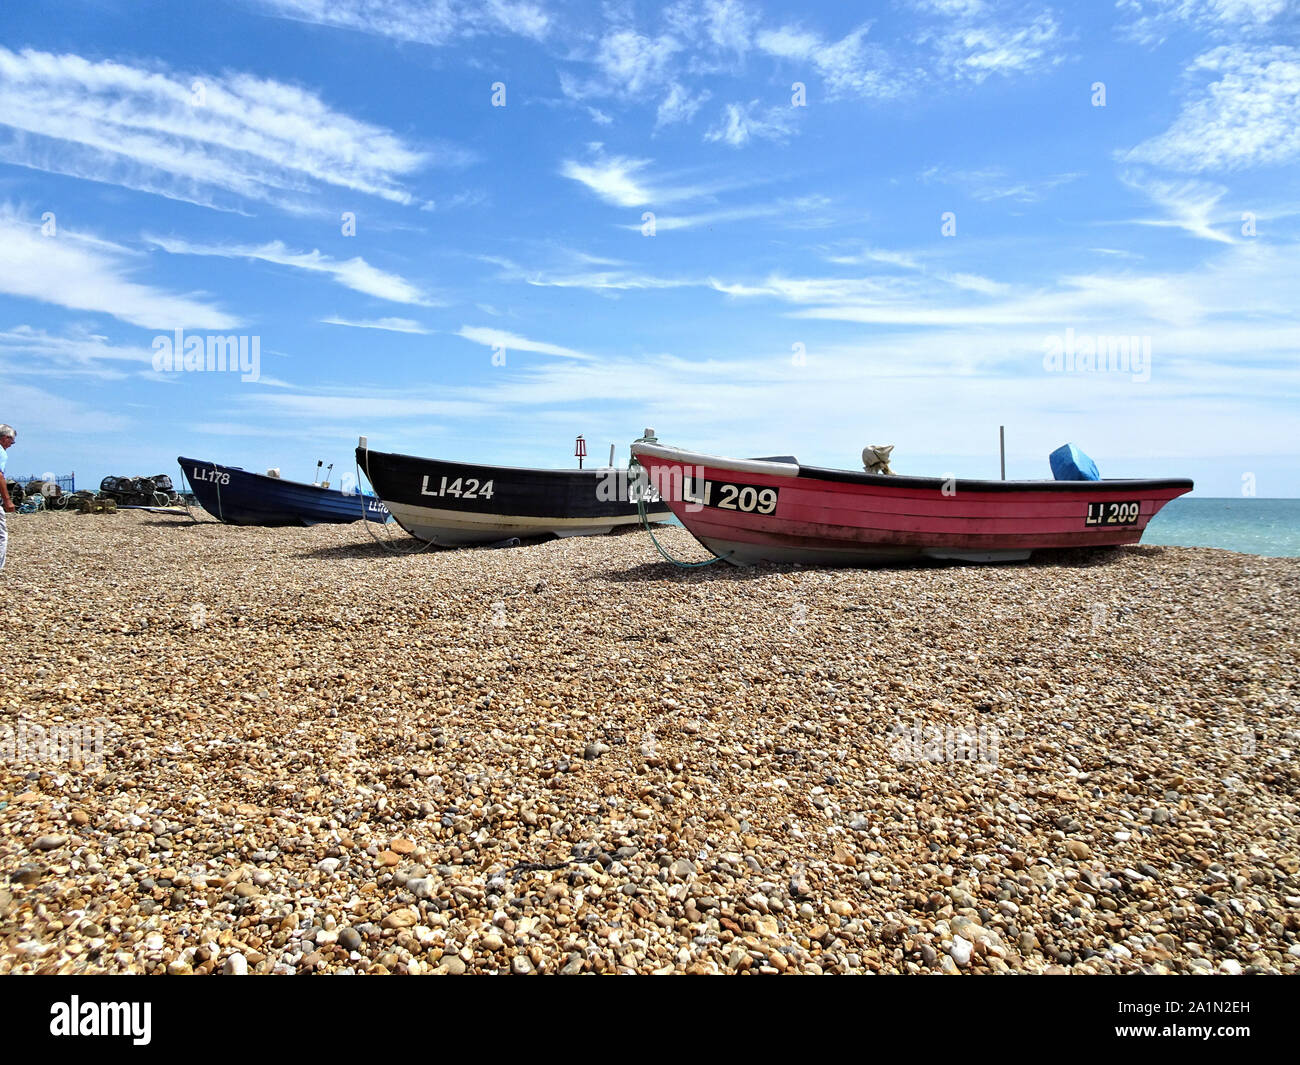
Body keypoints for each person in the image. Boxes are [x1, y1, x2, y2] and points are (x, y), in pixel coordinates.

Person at [0, 424, 15, 571]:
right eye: (12, 441)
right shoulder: (1, 452)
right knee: (1, 536)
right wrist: (7, 500)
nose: (11, 445)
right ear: (5, 438)